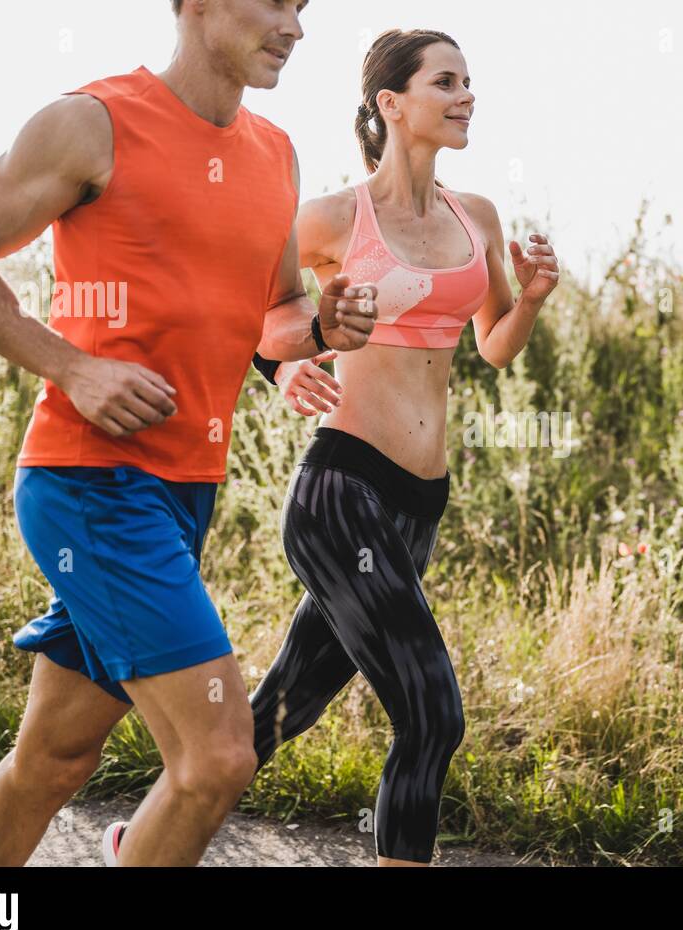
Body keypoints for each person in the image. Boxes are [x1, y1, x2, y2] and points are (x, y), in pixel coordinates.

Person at [0, 0, 378, 866]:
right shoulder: (91, 124)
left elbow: (272, 317)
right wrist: (72, 366)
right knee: (217, 757)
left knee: (52, 761)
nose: (296, 27)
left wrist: (322, 326)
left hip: (181, 494)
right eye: (276, 1)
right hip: (92, 486)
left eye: (304, 7)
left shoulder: (275, 152)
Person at [249, 28, 559, 866]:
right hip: (340, 489)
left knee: (283, 705)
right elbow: (256, 314)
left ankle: (146, 840)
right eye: (446, 81)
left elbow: (493, 344)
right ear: (392, 104)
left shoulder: (477, 215)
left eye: (469, 82)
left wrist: (527, 299)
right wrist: (277, 370)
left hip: (419, 504)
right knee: (431, 716)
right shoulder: (332, 217)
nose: (466, 96)